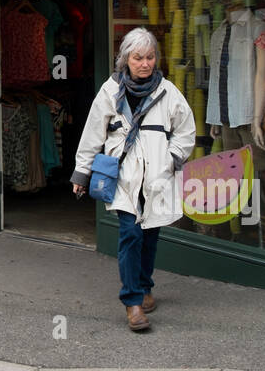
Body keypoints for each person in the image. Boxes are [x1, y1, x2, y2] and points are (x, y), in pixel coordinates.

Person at [71, 28, 195, 332]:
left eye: (150, 57)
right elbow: (92, 134)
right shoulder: (109, 91)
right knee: (130, 234)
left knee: (150, 235)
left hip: (157, 176)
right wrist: (81, 172)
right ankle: (133, 303)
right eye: (138, 57)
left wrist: (172, 157)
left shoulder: (167, 91)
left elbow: (186, 130)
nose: (145, 63)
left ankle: (145, 285)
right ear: (126, 59)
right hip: (124, 176)